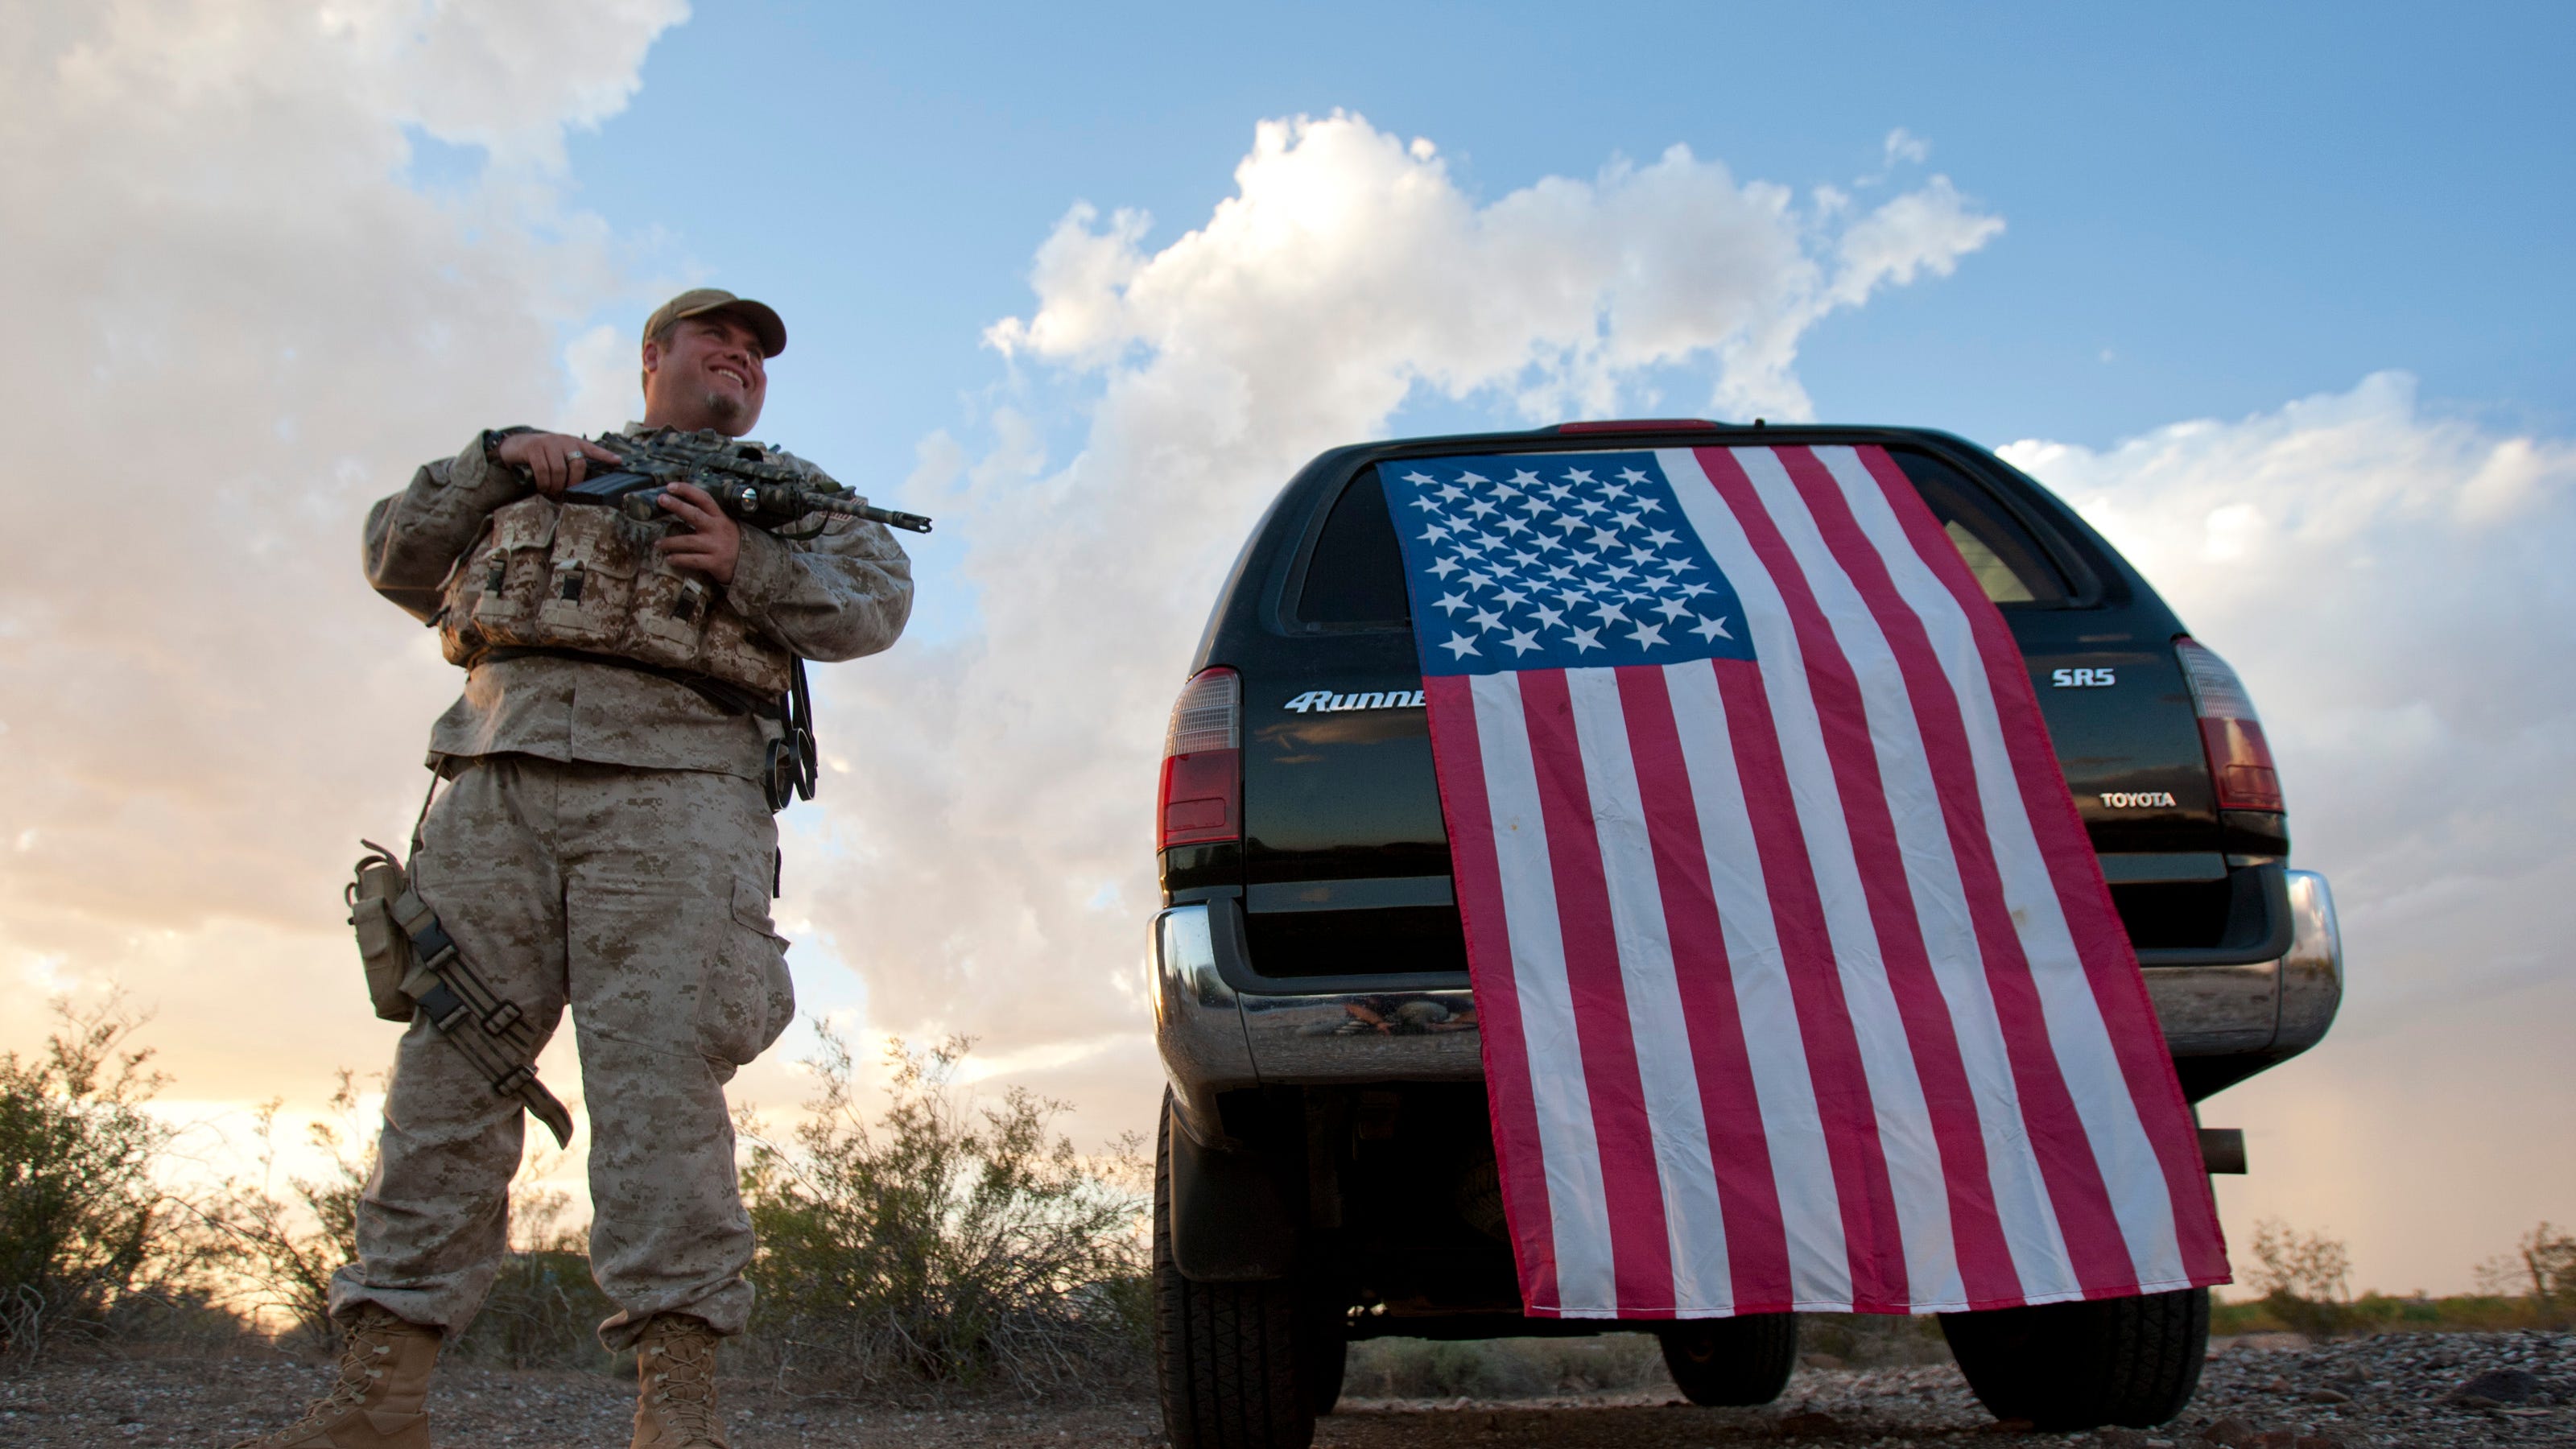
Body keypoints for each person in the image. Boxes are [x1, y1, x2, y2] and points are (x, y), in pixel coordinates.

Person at [237, 290, 914, 1449]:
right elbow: (396, 555)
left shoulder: (790, 495)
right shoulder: (528, 466)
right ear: (656, 357)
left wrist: (746, 560)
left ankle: (677, 1407)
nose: (740, 362)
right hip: (493, 780)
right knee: (447, 1080)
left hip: (680, 795)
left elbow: (878, 605)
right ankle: (380, 1396)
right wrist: (496, 458)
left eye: (756, 354)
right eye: (719, 342)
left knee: (658, 1091)